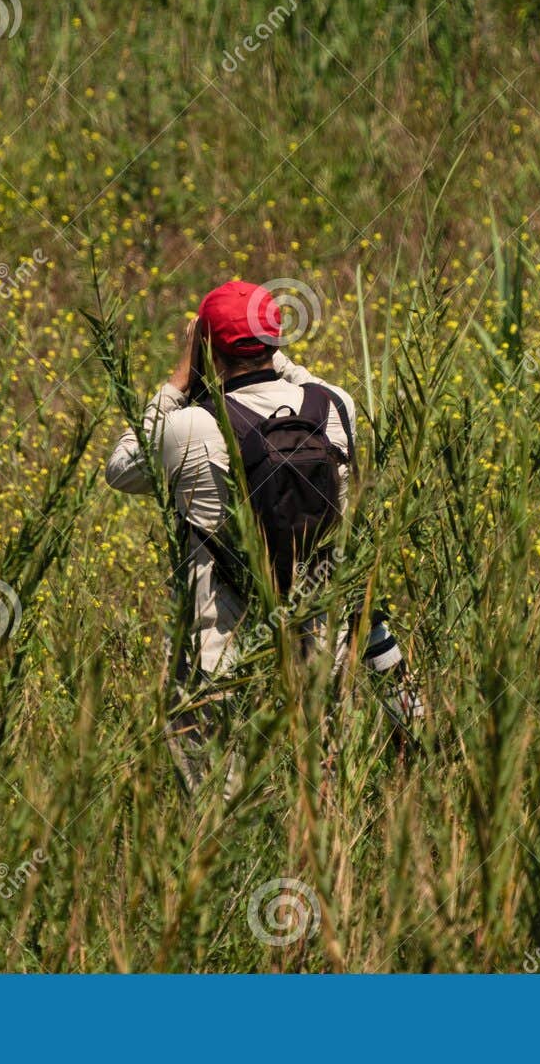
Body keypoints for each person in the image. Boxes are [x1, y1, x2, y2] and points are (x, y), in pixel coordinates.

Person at [105, 281, 417, 796]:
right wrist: (266, 346)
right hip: (317, 630)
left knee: (214, 797)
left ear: (208, 346)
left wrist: (182, 374)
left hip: (219, 640)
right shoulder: (337, 408)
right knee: (321, 782)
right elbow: (304, 384)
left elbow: (122, 469)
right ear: (275, 342)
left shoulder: (191, 427)